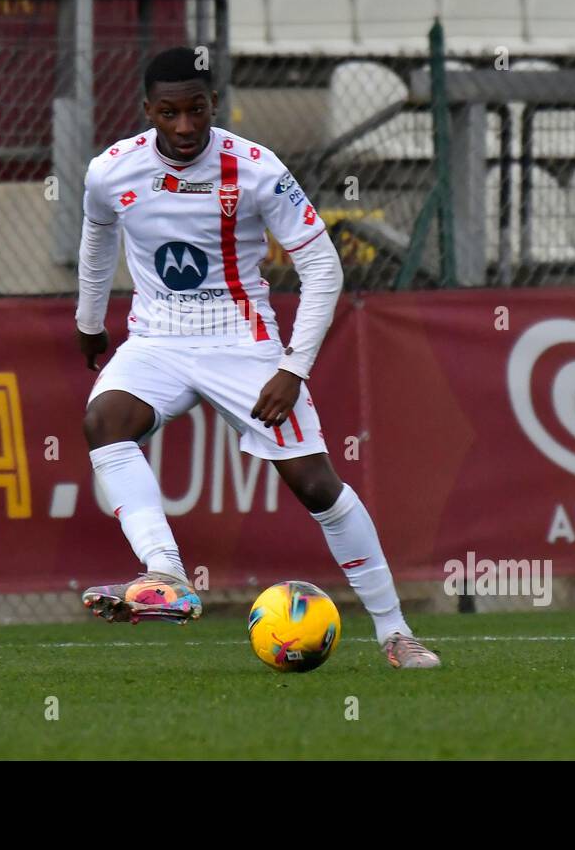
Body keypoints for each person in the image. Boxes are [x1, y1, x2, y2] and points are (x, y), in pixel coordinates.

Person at [74, 47, 439, 669]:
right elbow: (98, 235)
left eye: (196, 110)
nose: (185, 126)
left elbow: (322, 266)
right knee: (104, 421)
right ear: (147, 112)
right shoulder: (110, 172)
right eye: (169, 113)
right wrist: (89, 321)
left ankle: (395, 632)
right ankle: (165, 573)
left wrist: (292, 368)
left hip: (244, 343)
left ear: (214, 104)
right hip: (157, 340)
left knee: (316, 485)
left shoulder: (258, 169)